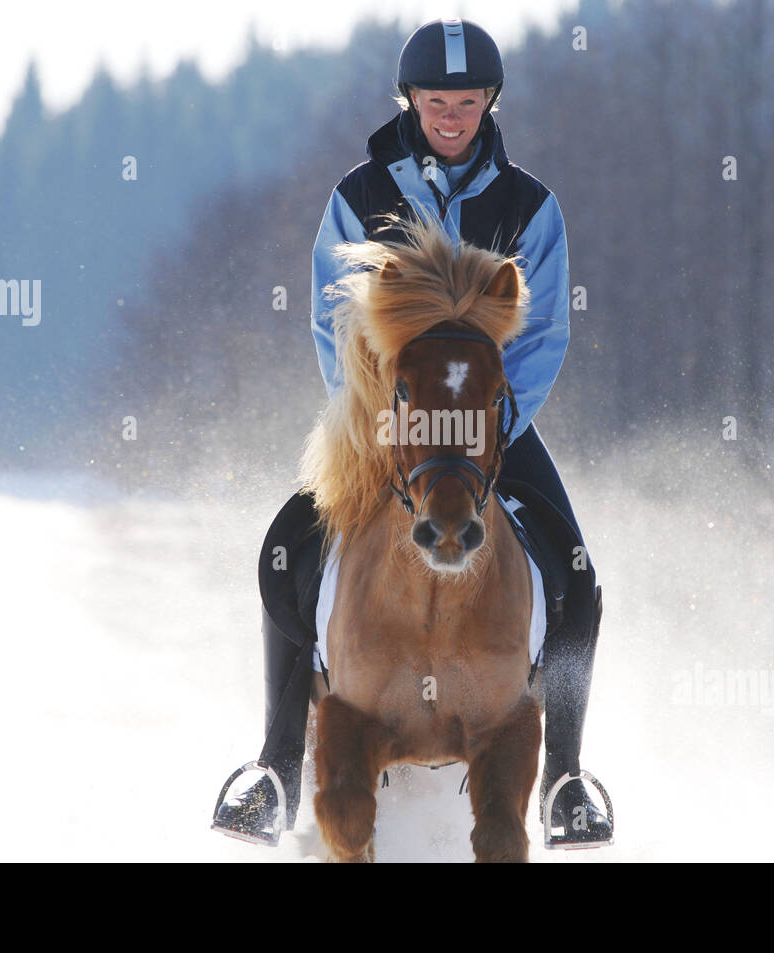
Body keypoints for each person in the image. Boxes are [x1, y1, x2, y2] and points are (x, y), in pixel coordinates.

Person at [211, 17, 610, 848]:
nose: (453, 116)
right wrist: (371, 416)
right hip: (385, 423)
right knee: (287, 550)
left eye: (467, 102)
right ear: (412, 101)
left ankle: (566, 778)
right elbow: (333, 319)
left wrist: (493, 424)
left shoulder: (530, 205)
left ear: (487, 102)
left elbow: (541, 337)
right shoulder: (358, 195)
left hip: (491, 426)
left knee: (575, 568)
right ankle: (278, 767)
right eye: (438, 101)